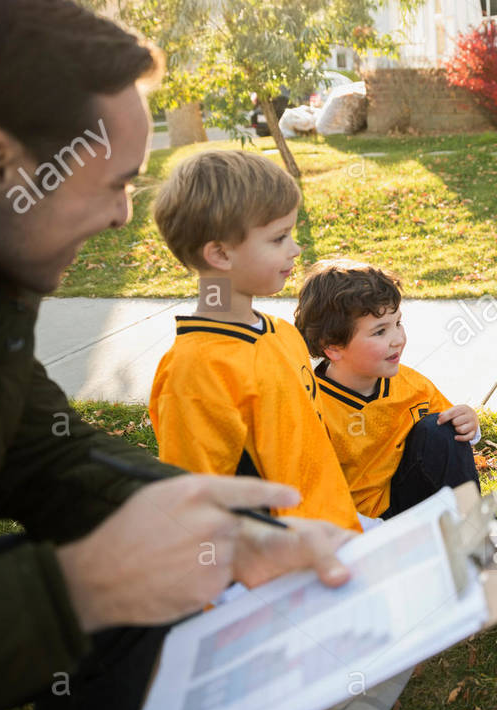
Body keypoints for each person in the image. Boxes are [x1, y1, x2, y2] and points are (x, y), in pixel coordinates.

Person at [0, 0, 353, 710]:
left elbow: (46, 457)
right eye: (114, 184)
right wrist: (81, 587)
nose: (124, 217)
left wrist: (227, 530)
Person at [147, 150, 362, 530]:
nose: (295, 249)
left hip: (337, 530)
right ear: (220, 253)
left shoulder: (281, 333)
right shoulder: (195, 370)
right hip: (283, 567)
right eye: (278, 238)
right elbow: (198, 507)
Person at [294, 259, 481, 519]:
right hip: (347, 524)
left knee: (441, 428)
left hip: (406, 502)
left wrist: (468, 421)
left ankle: (475, 535)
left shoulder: (410, 383)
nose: (398, 339)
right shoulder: (310, 407)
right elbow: (309, 496)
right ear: (333, 347)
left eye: (398, 323)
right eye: (380, 331)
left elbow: (453, 437)